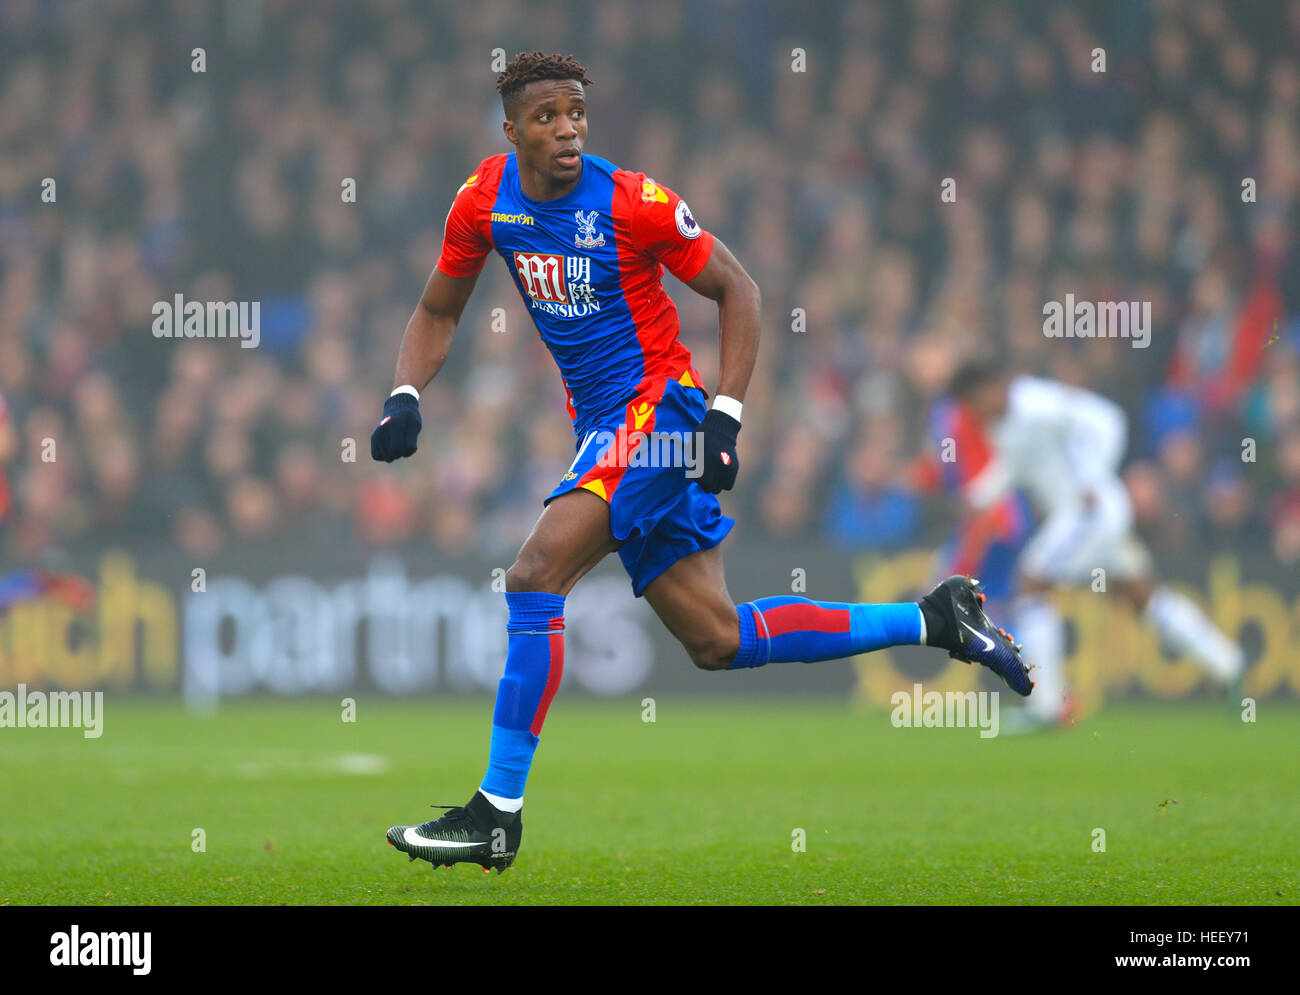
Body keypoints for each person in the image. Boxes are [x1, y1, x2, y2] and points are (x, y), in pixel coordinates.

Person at [370, 53, 1030, 874]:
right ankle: (936, 620)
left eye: (576, 111)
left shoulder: (630, 200)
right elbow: (439, 306)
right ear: (512, 132)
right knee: (718, 639)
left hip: (662, 412)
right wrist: (405, 392)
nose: (569, 127)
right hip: (603, 426)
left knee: (535, 572)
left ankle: (496, 812)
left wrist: (726, 414)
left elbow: (738, 288)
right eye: (547, 117)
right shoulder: (483, 201)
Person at [952, 361, 1244, 731]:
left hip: (1089, 512)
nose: (976, 414)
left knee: (1029, 585)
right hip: (1087, 519)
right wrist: (978, 497)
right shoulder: (1004, 424)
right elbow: (1015, 468)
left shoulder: (1037, 402)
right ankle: (1229, 664)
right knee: (1143, 596)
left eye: (975, 403)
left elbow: (1108, 420)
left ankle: (1048, 706)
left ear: (990, 387)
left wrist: (1092, 477)